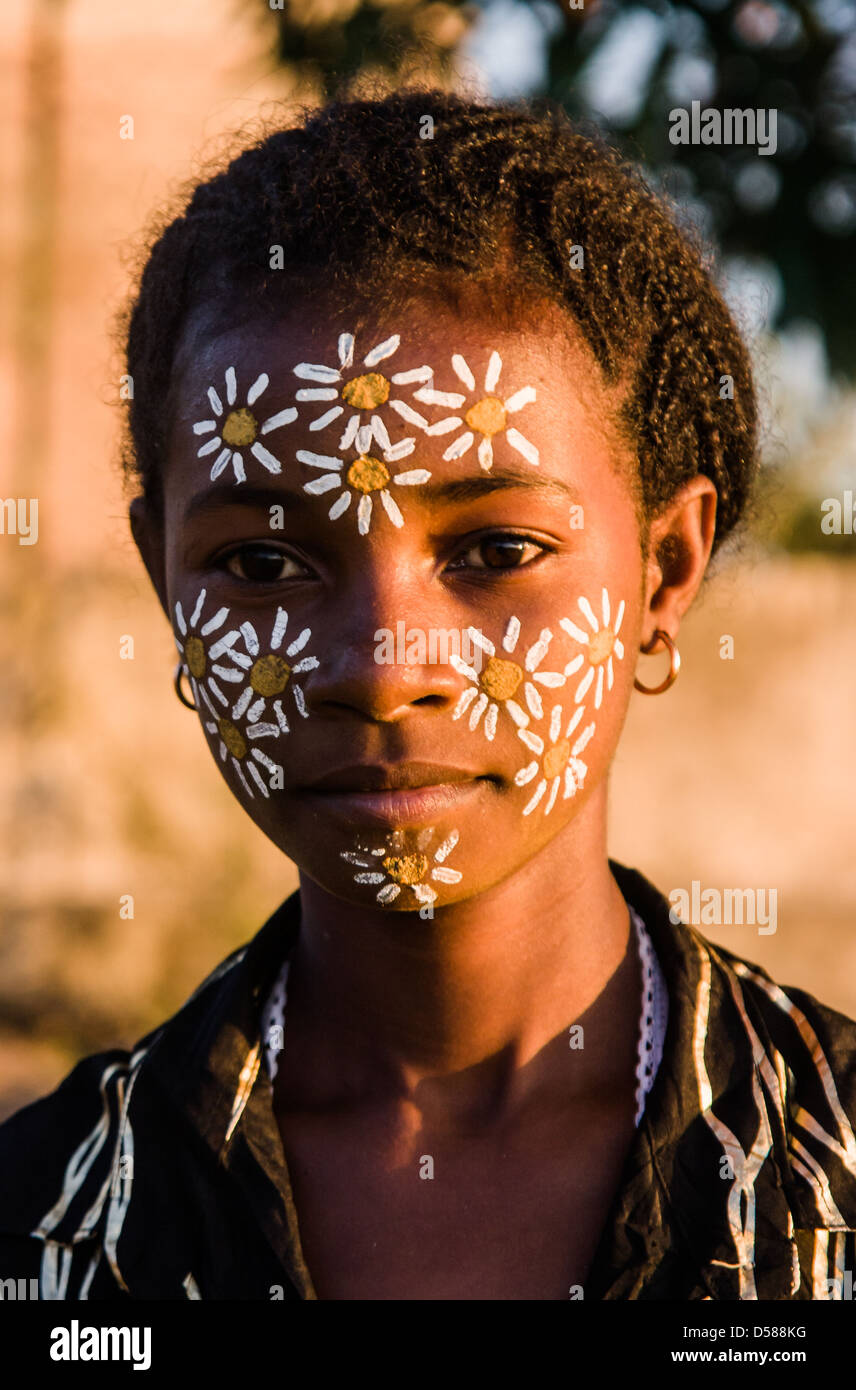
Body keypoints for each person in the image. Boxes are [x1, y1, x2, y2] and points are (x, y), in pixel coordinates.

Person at [0, 89, 853, 1302]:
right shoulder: (51, 1226)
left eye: (496, 551)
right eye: (260, 562)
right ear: (164, 580)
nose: (382, 665)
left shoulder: (829, 1181)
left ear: (664, 570)